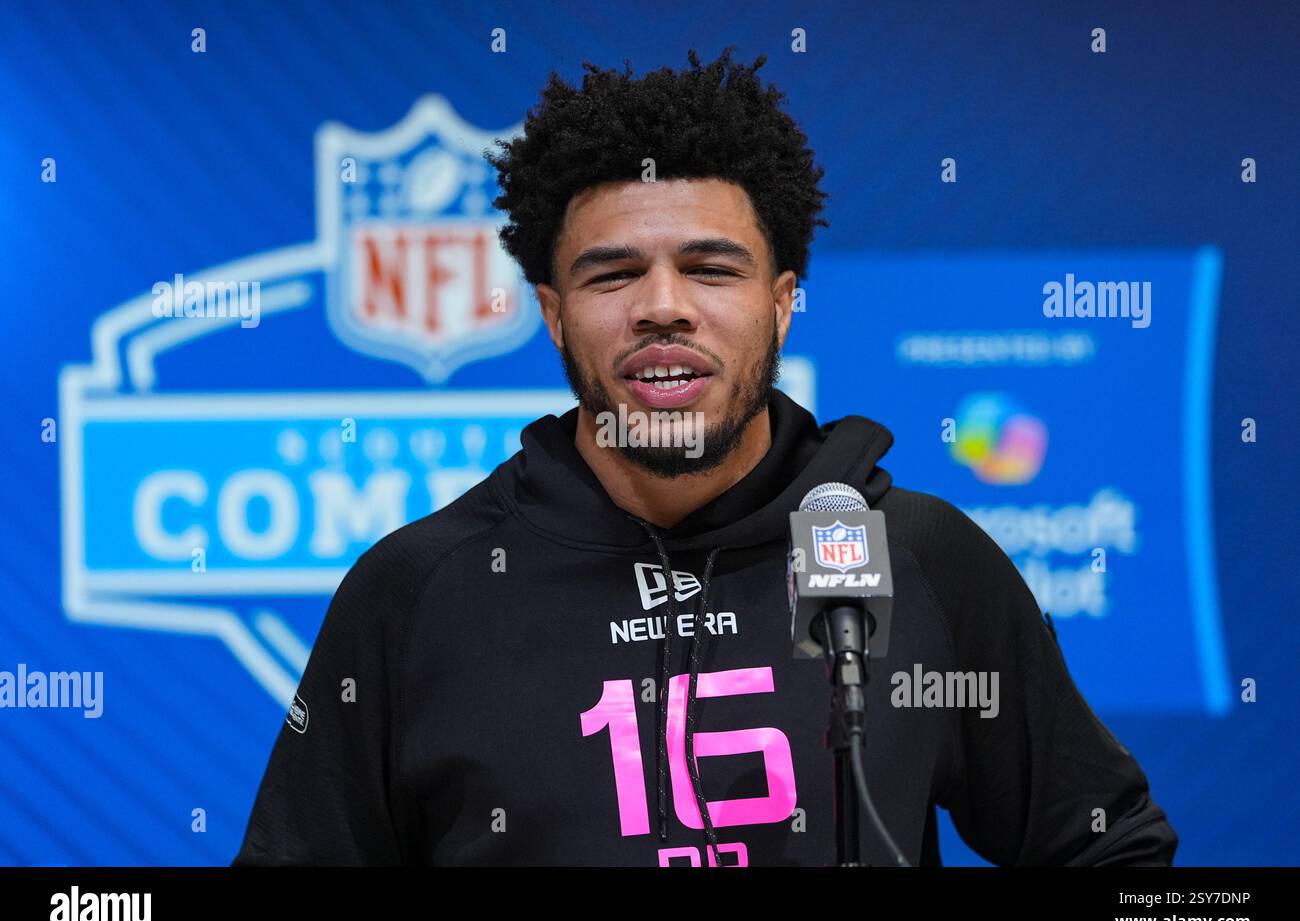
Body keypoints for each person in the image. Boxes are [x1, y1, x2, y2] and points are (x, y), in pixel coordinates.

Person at [232, 48, 1177, 866]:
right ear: (555, 313)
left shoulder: (918, 554)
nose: (662, 306)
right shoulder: (416, 590)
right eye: (612, 273)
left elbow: (1107, 845)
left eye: (711, 268)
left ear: (782, 301)